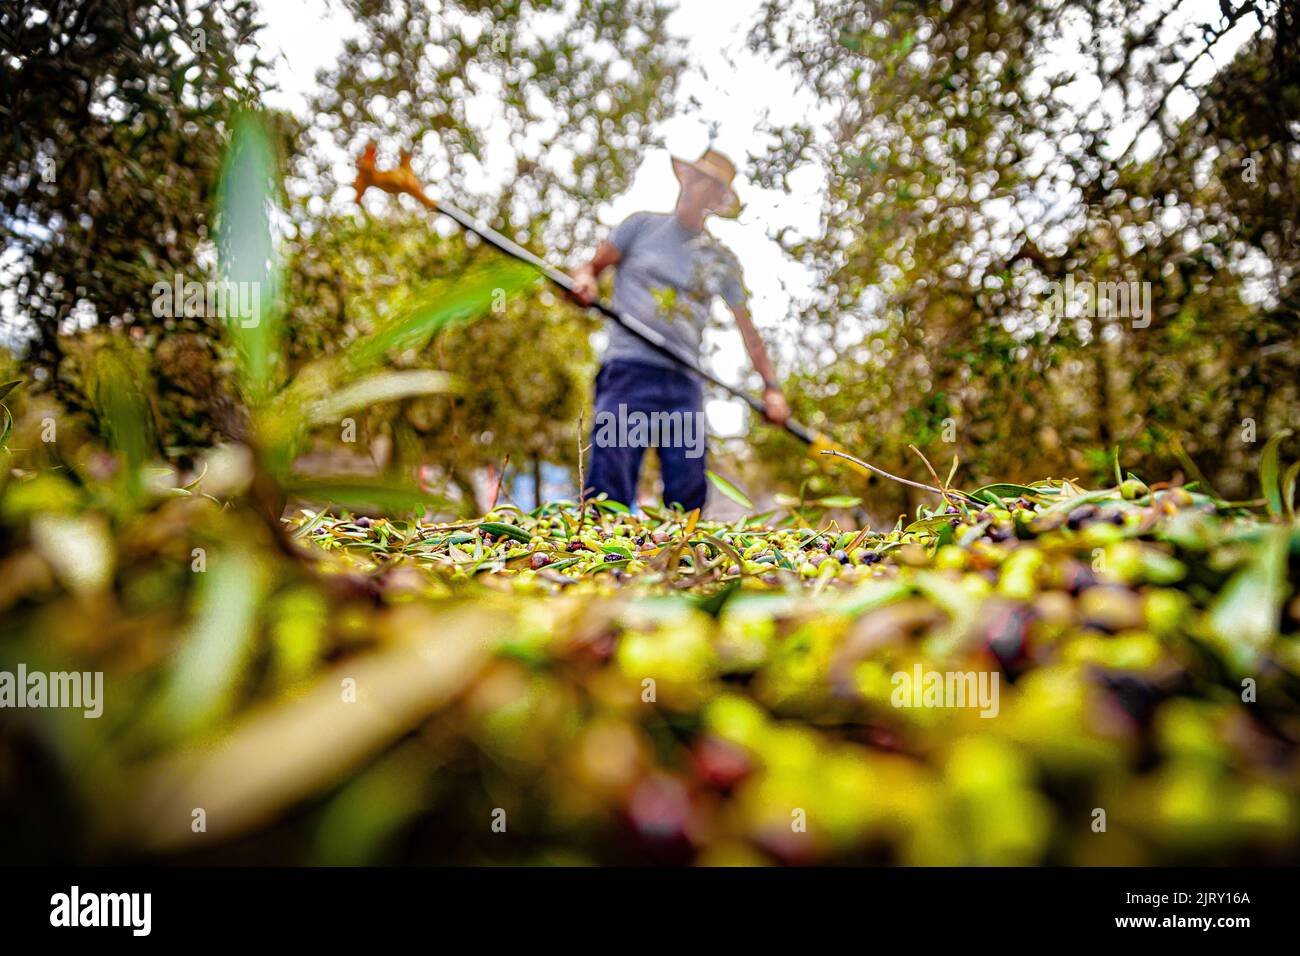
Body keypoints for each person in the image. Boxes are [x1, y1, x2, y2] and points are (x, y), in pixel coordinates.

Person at [569, 148, 790, 512]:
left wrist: (772, 389)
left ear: (720, 199)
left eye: (714, 185)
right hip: (628, 372)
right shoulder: (639, 227)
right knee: (608, 484)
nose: (703, 187)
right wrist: (583, 283)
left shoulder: (721, 261)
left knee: (687, 491)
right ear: (684, 177)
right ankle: (603, 565)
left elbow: (749, 332)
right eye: (700, 176)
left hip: (683, 383)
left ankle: (683, 566)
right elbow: (589, 269)